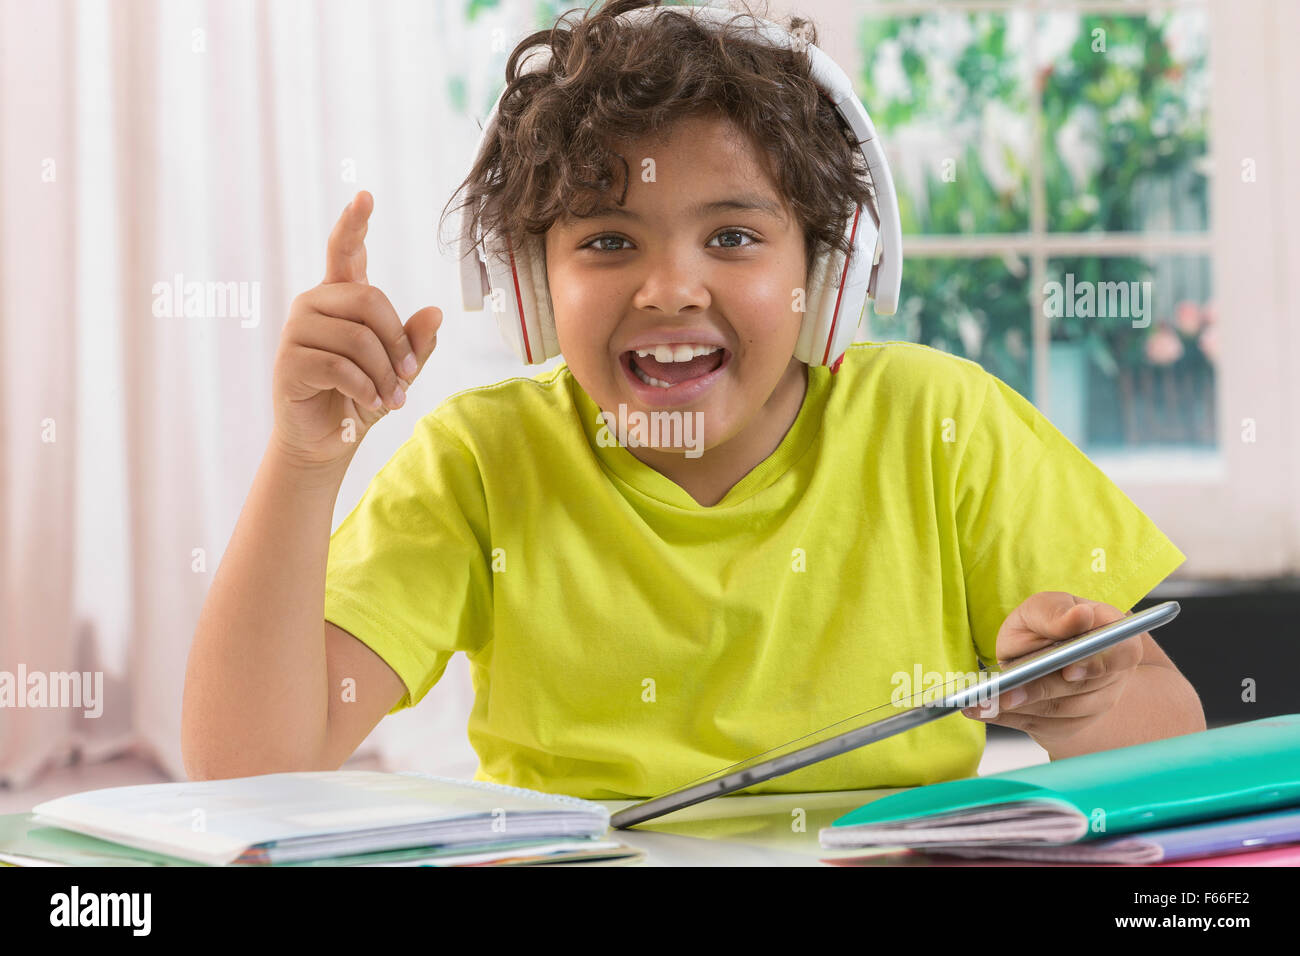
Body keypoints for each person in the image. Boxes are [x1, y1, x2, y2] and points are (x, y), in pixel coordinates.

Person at [182, 0, 1204, 798]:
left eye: (732, 237)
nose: (669, 287)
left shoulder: (944, 426)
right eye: (607, 240)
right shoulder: (482, 461)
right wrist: (305, 458)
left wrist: (1087, 701)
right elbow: (245, 769)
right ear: (532, 291)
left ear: (831, 275)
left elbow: (1173, 744)